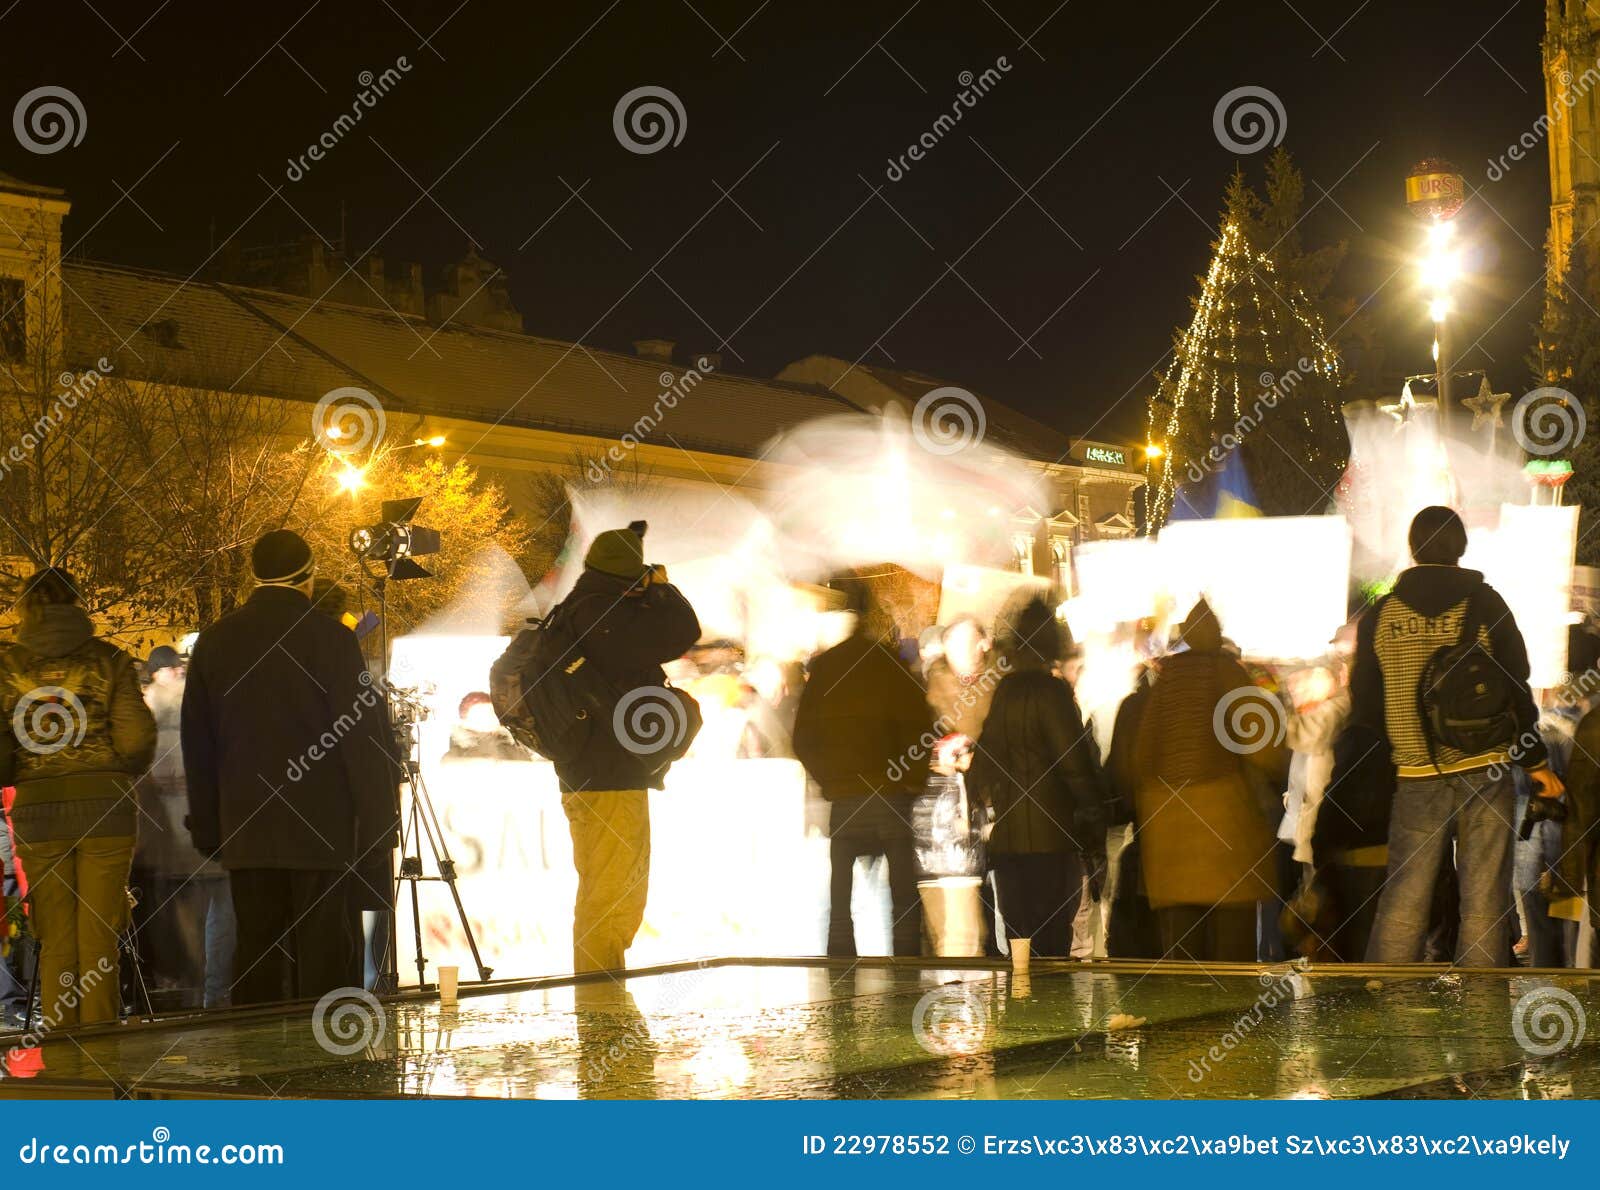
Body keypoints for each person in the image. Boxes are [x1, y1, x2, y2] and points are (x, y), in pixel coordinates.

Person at [183, 529, 399, 1004]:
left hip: (247, 827)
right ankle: (325, 1062)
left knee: (257, 951)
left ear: (254, 576)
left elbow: (197, 744)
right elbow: (361, 738)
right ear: (308, 576)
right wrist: (380, 823)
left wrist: (207, 825)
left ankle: (258, 1060)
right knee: (325, 951)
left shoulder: (216, 642)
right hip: (322, 827)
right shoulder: (333, 640)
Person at [1352, 506, 1561, 967]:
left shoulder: (1382, 614)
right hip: (1484, 768)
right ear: (1461, 547)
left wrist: (1399, 749)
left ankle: (1384, 1001)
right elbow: (1515, 688)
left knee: (1405, 898)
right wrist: (1536, 764)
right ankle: (1481, 1012)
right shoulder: (1485, 604)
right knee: (1485, 901)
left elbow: (1364, 704)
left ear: (1413, 547)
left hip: (1415, 773)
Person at [0, 567, 156, 1027]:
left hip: (38, 818)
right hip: (105, 814)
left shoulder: (7, 667)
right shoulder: (109, 660)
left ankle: (67, 1065)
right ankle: (104, 1062)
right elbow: (136, 740)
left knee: (57, 940)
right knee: (100, 938)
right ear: (77, 603)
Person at [551, 523, 700, 973]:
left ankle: (601, 997)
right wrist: (663, 588)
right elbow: (682, 631)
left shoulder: (582, 608)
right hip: (608, 778)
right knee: (612, 897)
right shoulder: (602, 614)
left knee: (610, 890)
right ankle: (601, 1014)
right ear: (628, 573)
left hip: (595, 775)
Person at [1131, 597, 1282, 962]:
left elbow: (1138, 760)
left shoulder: (1163, 682)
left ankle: (1187, 1017)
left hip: (1168, 842)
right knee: (1233, 958)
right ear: (1216, 636)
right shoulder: (1230, 674)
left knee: (1183, 963)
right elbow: (1267, 751)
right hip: (1226, 837)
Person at [793, 575, 929, 957]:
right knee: (903, 898)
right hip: (889, 794)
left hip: (847, 796)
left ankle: (840, 980)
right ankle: (906, 975)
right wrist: (908, 779)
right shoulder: (888, 665)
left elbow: (803, 737)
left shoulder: (826, 669)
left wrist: (831, 781)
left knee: (840, 905)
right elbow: (918, 726)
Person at [966, 599, 1107, 958]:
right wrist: (1094, 821)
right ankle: (1050, 1012)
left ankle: (1021, 1008)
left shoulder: (1005, 692)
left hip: (1010, 841)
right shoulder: (1054, 693)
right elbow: (1074, 765)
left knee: (1020, 945)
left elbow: (983, 765)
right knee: (1053, 941)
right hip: (1053, 841)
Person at [131, 645, 236, 1008]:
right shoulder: (202, 709)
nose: (178, 672)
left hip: (170, 840)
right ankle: (212, 993)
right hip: (203, 830)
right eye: (173, 667)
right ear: (160, 671)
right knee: (216, 912)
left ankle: (191, 992)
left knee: (186, 917)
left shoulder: (141, 715)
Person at [442, 691, 530, 764]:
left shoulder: (517, 749)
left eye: (492, 713)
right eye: (480, 715)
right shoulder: (454, 757)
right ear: (466, 722)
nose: (489, 718)